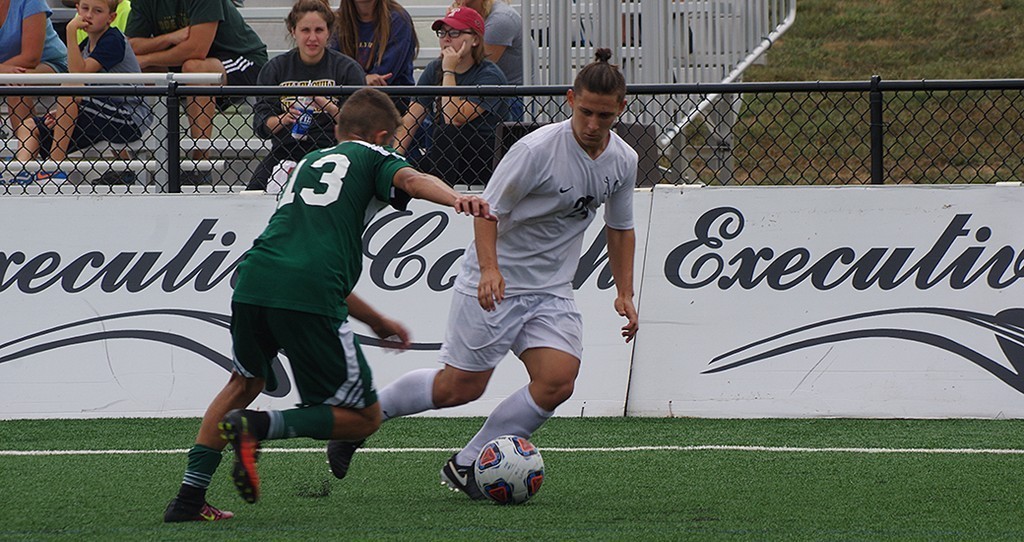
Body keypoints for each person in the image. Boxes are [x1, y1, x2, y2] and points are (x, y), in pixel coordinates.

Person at [162, 87, 495, 522]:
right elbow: (412, 180)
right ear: (381, 136)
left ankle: (187, 499)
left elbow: (304, 259)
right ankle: (259, 427)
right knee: (363, 418)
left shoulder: (306, 163)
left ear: (338, 129)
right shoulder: (374, 156)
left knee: (241, 385)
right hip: (310, 293)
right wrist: (454, 197)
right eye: (391, 142)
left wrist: (375, 319)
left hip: (254, 278)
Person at [326, 49, 639, 499]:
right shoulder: (534, 151)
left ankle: (468, 463)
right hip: (494, 282)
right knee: (459, 388)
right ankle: (359, 419)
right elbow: (487, 212)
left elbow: (621, 226)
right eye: (585, 111)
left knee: (557, 382)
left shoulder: (623, 159)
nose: (592, 124)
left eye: (604, 116)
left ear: (620, 110)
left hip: (551, 289)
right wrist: (490, 270)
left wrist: (624, 292)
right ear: (570, 99)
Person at [124, 0, 267, 183]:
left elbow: (196, 49)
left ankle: (201, 166)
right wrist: (169, 38)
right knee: (130, 71)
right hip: (185, 66)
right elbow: (131, 45)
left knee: (194, 69)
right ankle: (126, 164)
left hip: (241, 60)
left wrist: (146, 58)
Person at [17, 0, 151, 185]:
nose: (88, 15)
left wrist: (71, 32)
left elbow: (77, 76)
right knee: (29, 125)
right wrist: (62, 112)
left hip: (129, 117)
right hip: (98, 113)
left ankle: (54, 169)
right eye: (85, 9)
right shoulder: (85, 45)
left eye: (97, 11)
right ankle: (20, 175)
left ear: (111, 18)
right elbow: (75, 79)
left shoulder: (114, 39)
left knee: (69, 90)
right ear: (77, 9)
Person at [248, 0, 365, 192]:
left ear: (329, 32)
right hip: (285, 151)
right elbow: (261, 124)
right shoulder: (276, 68)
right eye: (305, 30)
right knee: (252, 194)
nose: (312, 38)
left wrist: (327, 106)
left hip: (334, 151)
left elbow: (358, 126)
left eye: (319, 30)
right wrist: (284, 119)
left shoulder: (347, 69)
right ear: (293, 31)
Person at [394, 6, 510, 187]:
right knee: (406, 173)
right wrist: (393, 158)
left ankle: (442, 193)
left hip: (484, 158)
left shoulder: (489, 75)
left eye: (455, 33)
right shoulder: (434, 69)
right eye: (442, 33)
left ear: (475, 40)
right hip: (445, 156)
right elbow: (411, 119)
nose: (446, 39)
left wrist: (449, 71)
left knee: (445, 132)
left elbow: (454, 118)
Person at [1, 0, 69, 169]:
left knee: (17, 83)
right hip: (5, 71)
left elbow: (31, 58)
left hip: (51, 65)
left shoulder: (32, 2)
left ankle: (26, 164)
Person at [331, 0, 417, 112]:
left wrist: (356, 80)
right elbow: (333, 66)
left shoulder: (398, 19)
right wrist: (363, 79)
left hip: (390, 107)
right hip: (346, 104)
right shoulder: (338, 20)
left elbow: (385, 75)